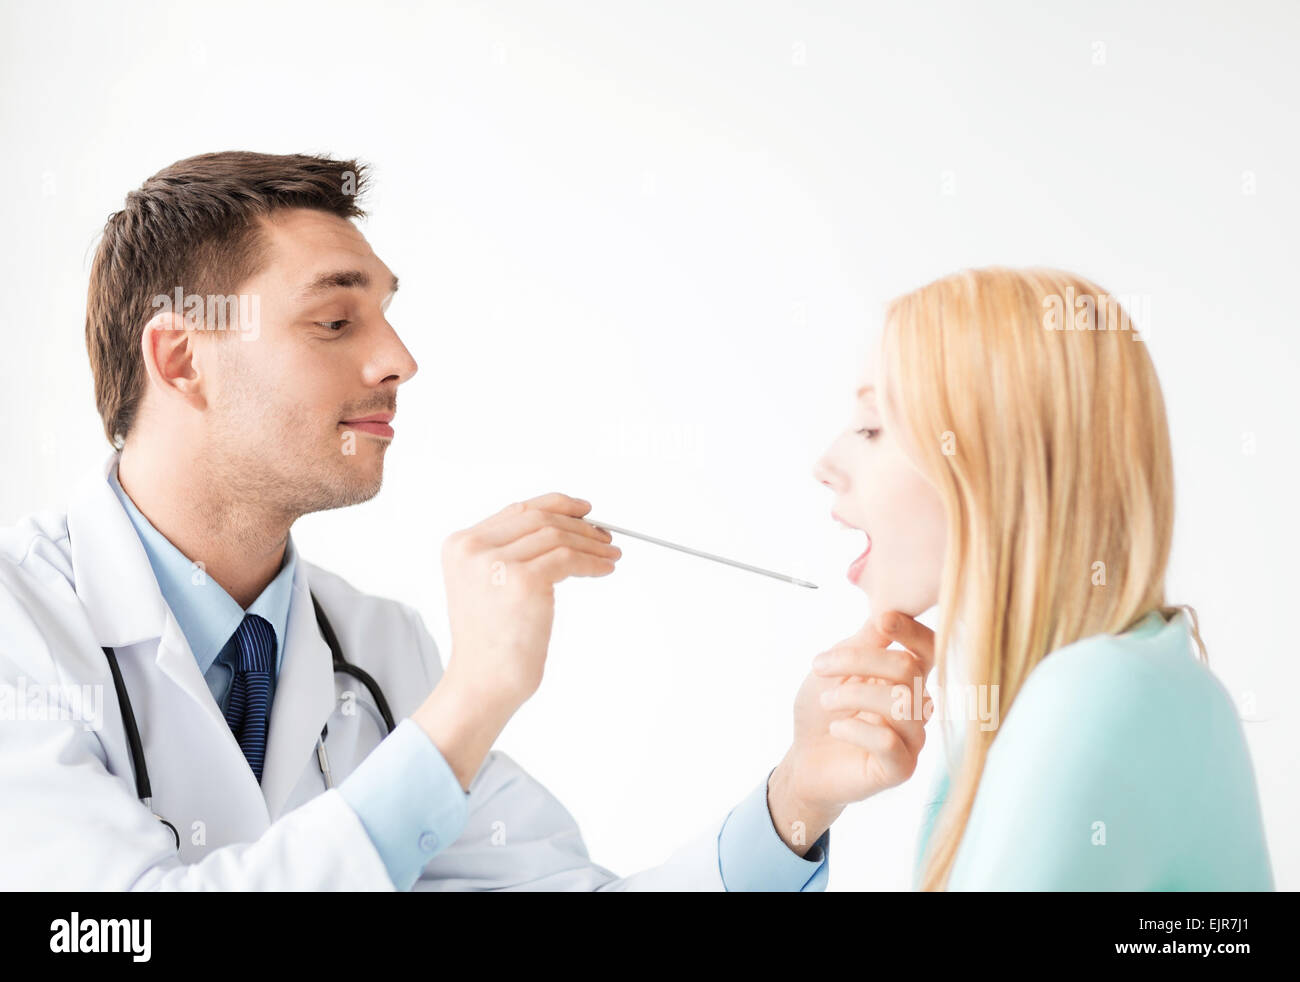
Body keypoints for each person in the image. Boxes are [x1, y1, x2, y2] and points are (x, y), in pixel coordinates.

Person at [0, 150, 932, 891]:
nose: (398, 359)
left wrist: (797, 799)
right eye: (334, 323)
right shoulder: (22, 623)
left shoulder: (374, 647)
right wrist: (470, 703)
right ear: (181, 360)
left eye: (387, 316)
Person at [811, 267, 1274, 890]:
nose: (826, 466)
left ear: (995, 456)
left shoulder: (1093, 696)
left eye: (872, 428)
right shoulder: (1087, 690)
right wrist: (801, 795)